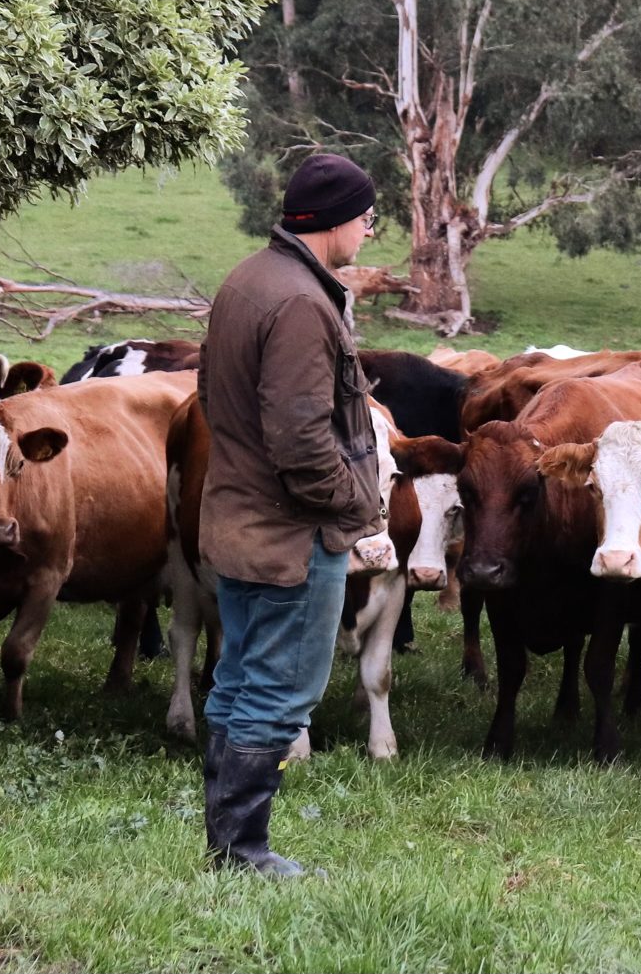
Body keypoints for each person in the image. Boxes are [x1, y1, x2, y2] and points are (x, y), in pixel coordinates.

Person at [197, 152, 386, 877]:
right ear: (337, 220)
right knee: (279, 690)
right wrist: (355, 503)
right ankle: (243, 852)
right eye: (368, 217)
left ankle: (226, 845)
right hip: (292, 536)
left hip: (240, 521)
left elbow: (212, 397)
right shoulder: (303, 302)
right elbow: (303, 436)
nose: (369, 231)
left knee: (239, 677)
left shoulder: (247, 280)